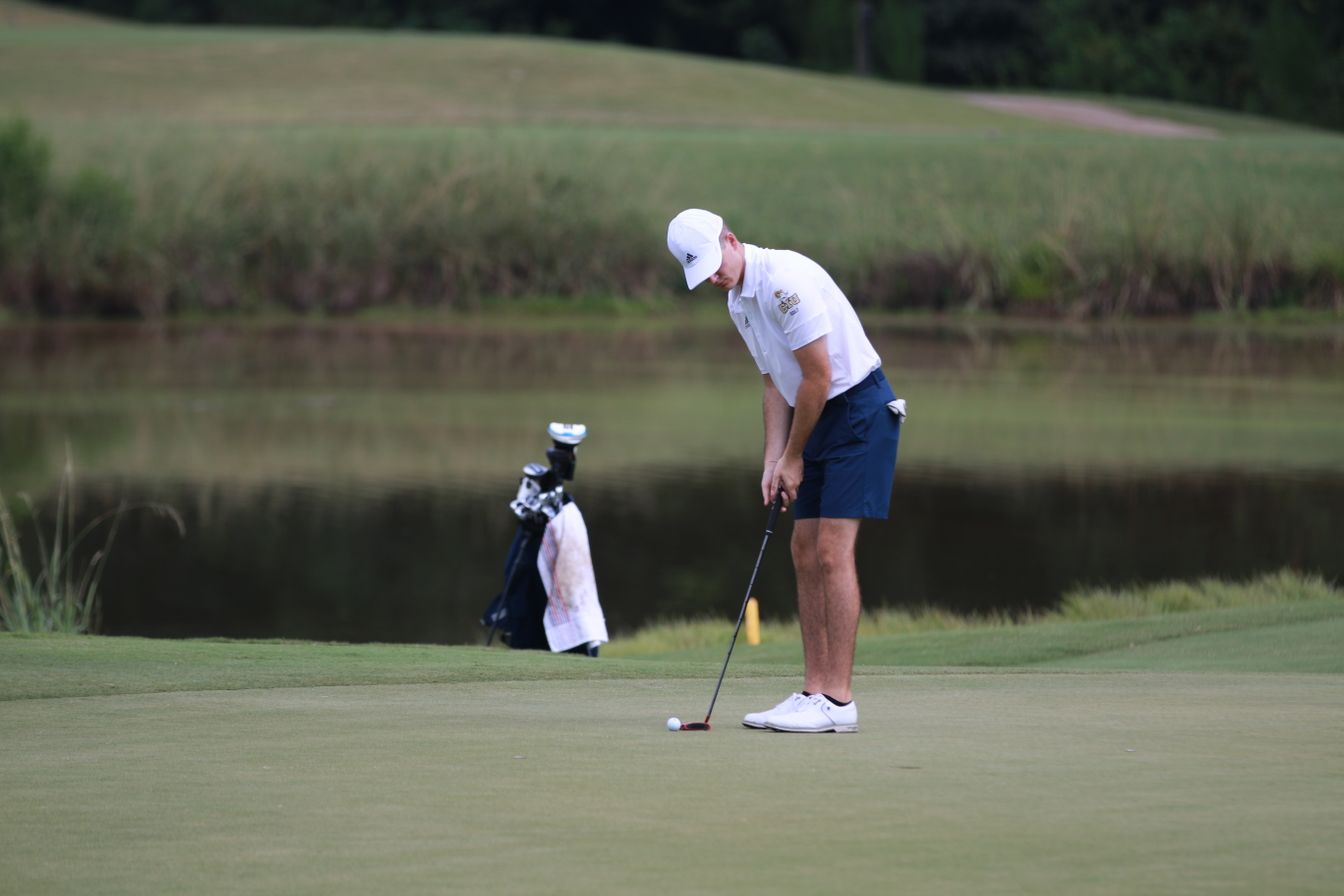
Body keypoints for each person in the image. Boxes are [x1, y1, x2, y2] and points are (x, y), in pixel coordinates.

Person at [666, 208, 903, 733]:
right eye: (700, 272)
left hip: (857, 410)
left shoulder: (783, 283)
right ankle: (813, 690)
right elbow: (776, 383)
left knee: (830, 551)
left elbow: (817, 377)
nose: (713, 276)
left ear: (731, 238)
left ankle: (839, 703)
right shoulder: (737, 302)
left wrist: (795, 456)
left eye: (713, 262)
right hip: (815, 415)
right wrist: (774, 459)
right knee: (802, 549)